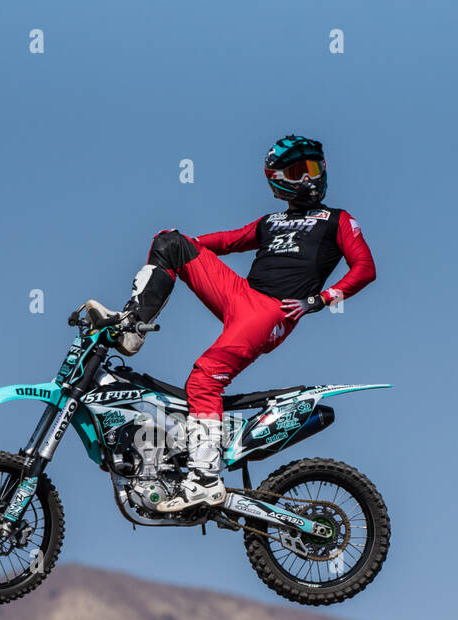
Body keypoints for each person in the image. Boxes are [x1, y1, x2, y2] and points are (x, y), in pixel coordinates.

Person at [105, 134, 377, 512]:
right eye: (299, 171)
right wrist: (186, 246)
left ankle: (203, 477)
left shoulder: (337, 220)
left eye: (314, 169)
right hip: (239, 296)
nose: (309, 179)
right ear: (278, 179)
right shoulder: (272, 221)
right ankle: (132, 327)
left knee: (204, 377)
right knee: (169, 241)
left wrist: (321, 299)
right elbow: (227, 242)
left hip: (270, 312)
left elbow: (365, 268)